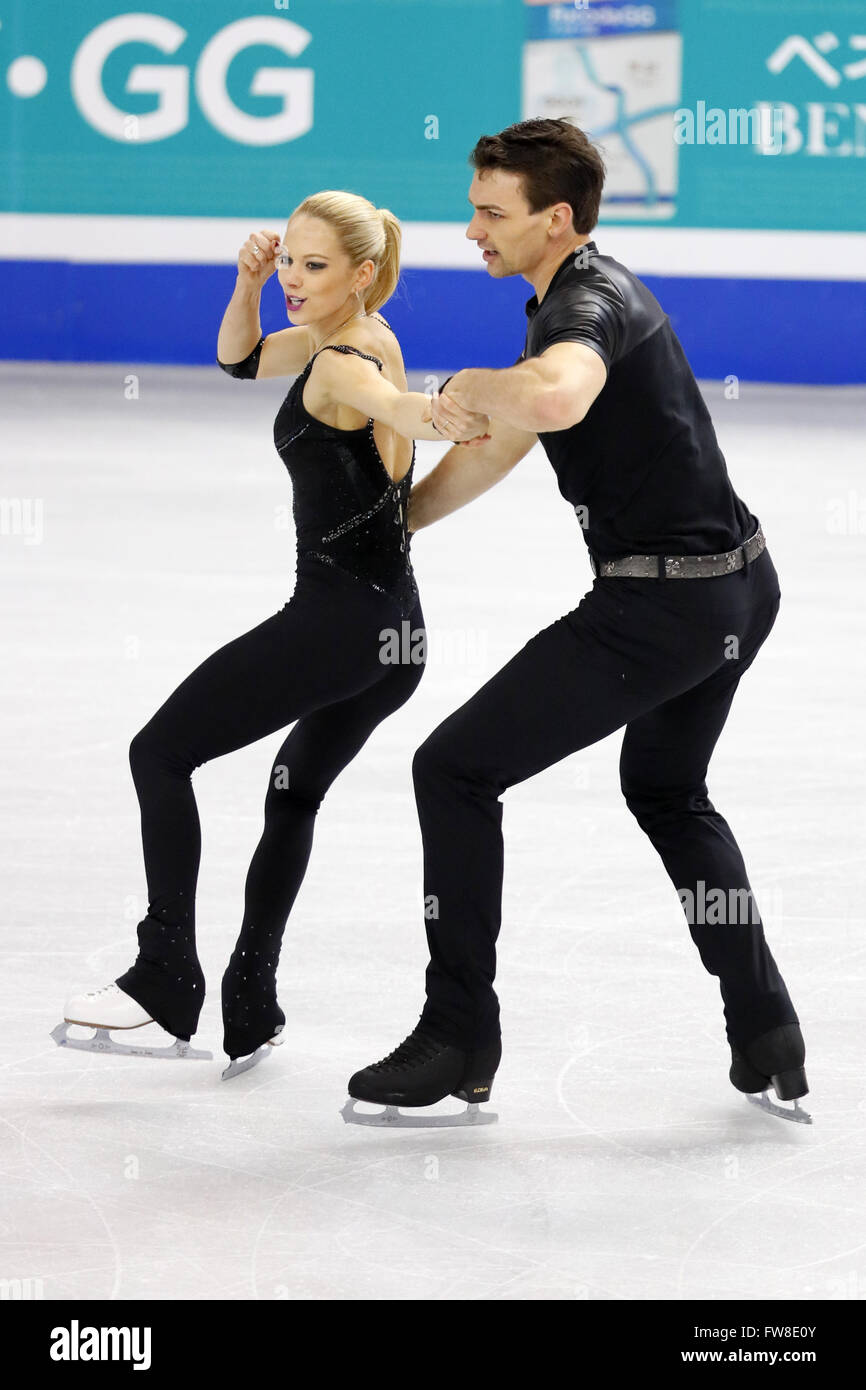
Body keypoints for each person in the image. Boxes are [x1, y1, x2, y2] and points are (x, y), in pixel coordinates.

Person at [346, 120, 809, 1125]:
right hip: (736, 587)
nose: (470, 227)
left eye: (489, 211)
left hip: (662, 606)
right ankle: (763, 1021)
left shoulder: (587, 304)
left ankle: (457, 1031)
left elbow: (549, 399)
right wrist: (400, 523)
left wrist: (467, 387)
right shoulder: (569, 297)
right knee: (666, 789)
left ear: (553, 218)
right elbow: (510, 440)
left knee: (453, 768)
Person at [51, 190, 490, 1076]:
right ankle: (251, 997)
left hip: (336, 624)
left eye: (312, 265)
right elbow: (240, 359)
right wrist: (247, 283)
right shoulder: (355, 333)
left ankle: (163, 978)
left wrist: (425, 410)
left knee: (160, 754)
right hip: (395, 635)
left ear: (362, 274)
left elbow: (379, 401)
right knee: (292, 794)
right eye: (287, 257)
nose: (293, 276)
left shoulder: (346, 364)